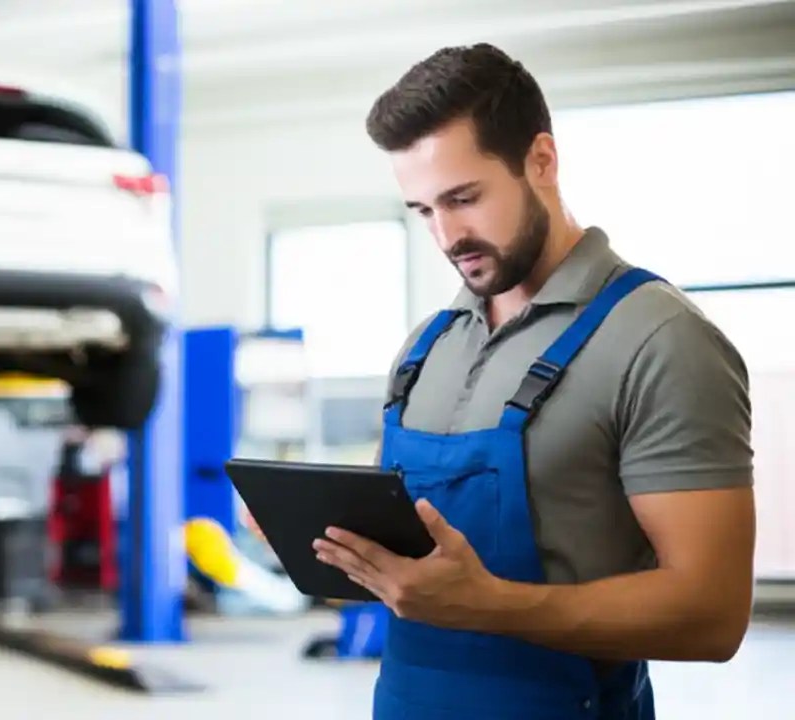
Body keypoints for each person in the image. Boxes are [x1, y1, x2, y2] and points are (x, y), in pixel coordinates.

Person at [250, 43, 756, 719]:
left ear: (541, 161)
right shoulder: (426, 348)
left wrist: (492, 607)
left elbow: (712, 616)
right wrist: (320, 539)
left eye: (464, 197)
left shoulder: (661, 341)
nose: (448, 235)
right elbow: (409, 569)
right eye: (423, 210)